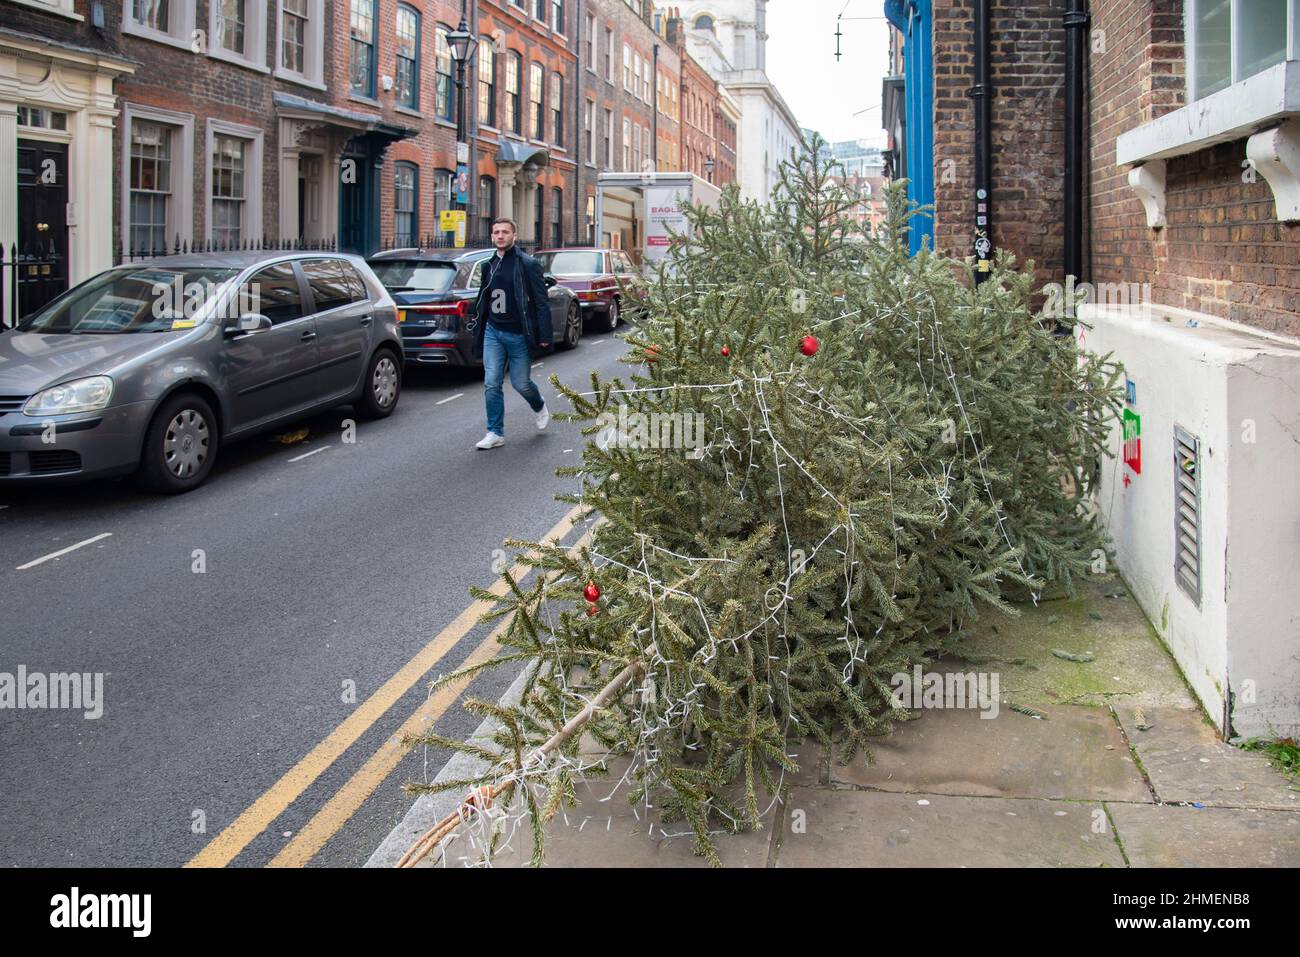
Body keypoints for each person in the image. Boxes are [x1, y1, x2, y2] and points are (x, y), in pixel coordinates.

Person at [471, 217, 551, 450]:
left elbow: (541, 302)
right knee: (491, 382)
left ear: (514, 236)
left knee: (521, 383)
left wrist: (544, 335)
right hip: (493, 332)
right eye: (496, 232)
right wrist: (478, 326)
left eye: (505, 232)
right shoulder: (488, 265)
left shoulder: (527, 264)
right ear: (492, 236)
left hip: (518, 335)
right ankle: (495, 432)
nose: (500, 236)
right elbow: (483, 300)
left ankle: (539, 405)